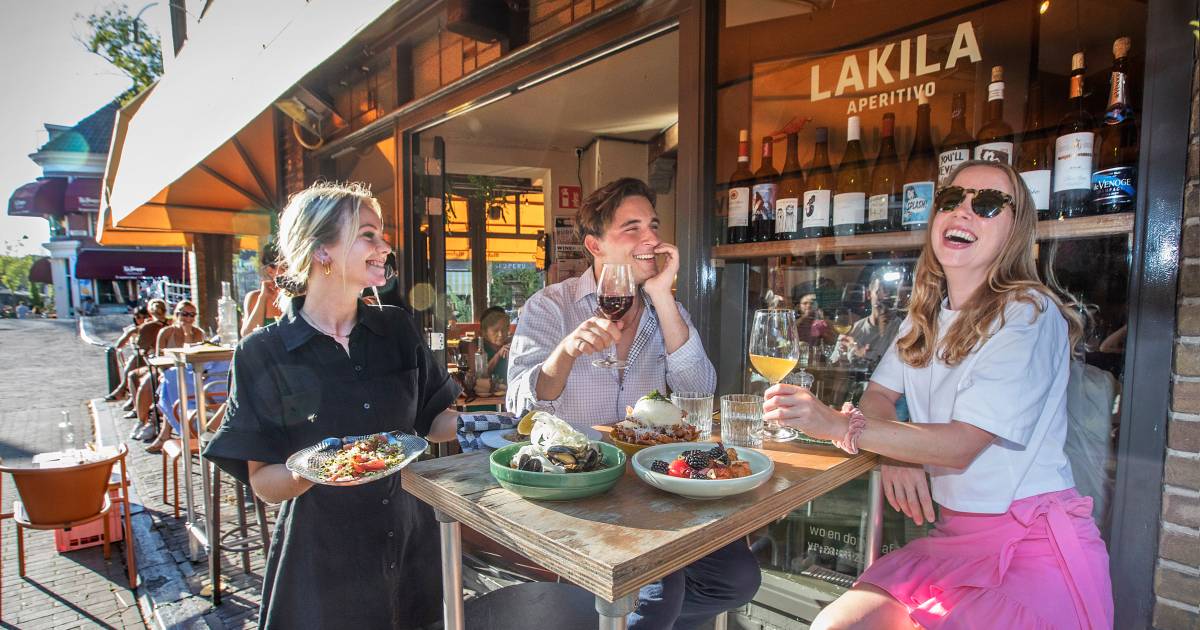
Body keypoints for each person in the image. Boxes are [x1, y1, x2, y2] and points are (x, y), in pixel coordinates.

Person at [762, 161, 1112, 629]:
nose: (964, 211)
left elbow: (961, 444)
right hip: (951, 537)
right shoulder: (924, 316)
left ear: (1015, 232)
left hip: (1028, 546)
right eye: (952, 200)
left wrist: (839, 426)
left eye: (987, 204)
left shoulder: (1028, 313)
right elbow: (879, 397)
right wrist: (894, 455)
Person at [203, 182, 462, 629]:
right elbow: (264, 482)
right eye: (368, 235)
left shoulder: (397, 328)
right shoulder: (263, 353)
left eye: (381, 235)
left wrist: (504, 424)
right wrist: (317, 469)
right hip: (324, 569)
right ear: (322, 251)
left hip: (412, 547)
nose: (384, 247)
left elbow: (434, 421)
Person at [507, 177, 759, 630]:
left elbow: (700, 392)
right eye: (633, 228)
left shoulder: (666, 312)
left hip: (657, 488)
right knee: (660, 593)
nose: (651, 239)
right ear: (594, 245)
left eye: (654, 226)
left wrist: (663, 296)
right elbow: (519, 403)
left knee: (737, 579)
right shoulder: (549, 307)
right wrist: (565, 353)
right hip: (582, 495)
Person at [143, 301, 206, 452]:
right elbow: (159, 359)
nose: (188, 318)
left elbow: (200, 358)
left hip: (192, 375)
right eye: (184, 314)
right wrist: (162, 373)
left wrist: (188, 335)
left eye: (192, 315)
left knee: (171, 386)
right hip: (170, 373)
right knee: (170, 382)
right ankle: (175, 432)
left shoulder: (198, 333)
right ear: (177, 314)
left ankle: (166, 434)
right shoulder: (166, 333)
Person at [830, 275, 902, 365]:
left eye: (891, 293)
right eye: (879, 292)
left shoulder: (901, 329)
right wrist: (842, 356)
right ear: (868, 294)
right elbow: (834, 367)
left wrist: (860, 357)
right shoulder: (853, 330)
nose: (885, 297)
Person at [104, 306, 151, 402]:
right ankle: (128, 394)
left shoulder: (154, 328)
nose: (141, 320)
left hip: (149, 358)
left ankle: (122, 390)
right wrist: (130, 333)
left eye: (144, 317)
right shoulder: (132, 330)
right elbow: (119, 345)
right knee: (134, 360)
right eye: (138, 317)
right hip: (138, 360)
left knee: (135, 359)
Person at [241, 243, 284, 337]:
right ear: (270, 271)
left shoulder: (301, 296)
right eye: (285, 267)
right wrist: (263, 298)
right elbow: (248, 336)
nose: (291, 272)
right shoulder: (255, 298)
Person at [479, 306, 510, 387]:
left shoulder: (512, 345)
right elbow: (479, 378)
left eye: (504, 330)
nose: (501, 334)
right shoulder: (478, 348)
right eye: (495, 330)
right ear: (484, 332)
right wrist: (498, 355)